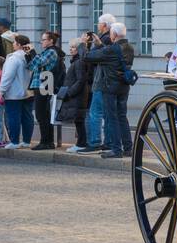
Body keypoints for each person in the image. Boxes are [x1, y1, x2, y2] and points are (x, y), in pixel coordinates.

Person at [86, 22, 136, 158]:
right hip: (124, 86)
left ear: (113, 34)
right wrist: (100, 45)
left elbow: (88, 57)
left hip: (110, 86)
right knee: (122, 116)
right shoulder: (129, 47)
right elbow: (112, 56)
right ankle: (128, 148)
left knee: (111, 117)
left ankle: (116, 149)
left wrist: (84, 44)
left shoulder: (112, 50)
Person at [82, 13, 115, 151]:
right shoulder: (108, 39)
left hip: (101, 81)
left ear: (105, 25)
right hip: (107, 81)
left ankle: (94, 142)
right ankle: (107, 143)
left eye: (99, 23)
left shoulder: (105, 39)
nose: (97, 26)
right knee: (106, 114)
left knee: (95, 113)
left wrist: (83, 44)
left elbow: (88, 57)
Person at [29, 31, 65, 150]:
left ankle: (46, 142)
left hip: (44, 84)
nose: (41, 42)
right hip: (41, 84)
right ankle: (47, 141)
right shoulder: (45, 52)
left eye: (44, 40)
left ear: (51, 41)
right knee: (43, 114)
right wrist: (31, 54)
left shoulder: (51, 52)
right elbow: (31, 65)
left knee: (42, 114)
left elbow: (39, 62)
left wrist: (33, 53)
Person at [0, 34, 34, 148]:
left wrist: (1, 90)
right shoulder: (30, 56)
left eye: (14, 42)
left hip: (14, 93)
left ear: (19, 44)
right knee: (27, 117)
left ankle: (14, 141)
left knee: (13, 117)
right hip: (29, 91)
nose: (13, 44)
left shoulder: (13, 58)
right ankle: (26, 141)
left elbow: (8, 76)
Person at [58, 37, 92, 152]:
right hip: (77, 95)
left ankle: (81, 143)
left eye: (73, 47)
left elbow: (80, 80)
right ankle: (80, 143)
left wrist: (69, 93)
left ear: (79, 49)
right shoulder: (77, 61)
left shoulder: (78, 62)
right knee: (78, 120)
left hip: (77, 96)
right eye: (70, 47)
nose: (71, 50)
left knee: (79, 120)